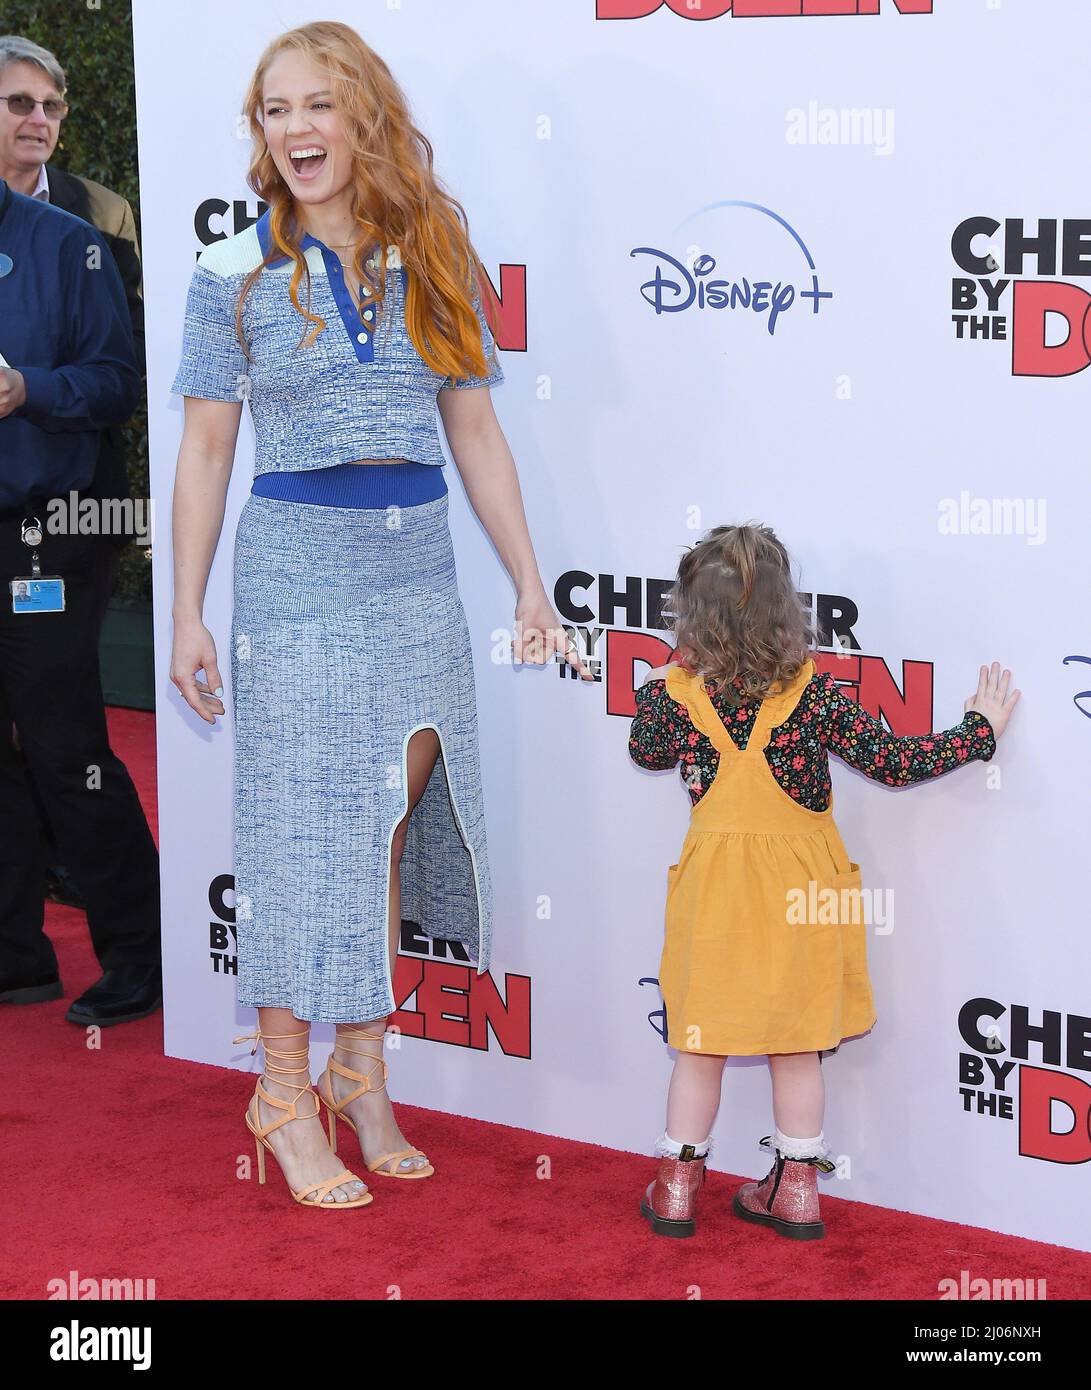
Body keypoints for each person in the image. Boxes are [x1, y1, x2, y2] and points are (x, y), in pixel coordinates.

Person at [170, 20, 593, 1210]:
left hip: (414, 574)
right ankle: (284, 1092)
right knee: (298, 832)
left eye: (315, 105)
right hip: (292, 574)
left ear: (362, 113)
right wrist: (186, 614)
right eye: (272, 110)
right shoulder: (227, 270)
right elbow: (205, 453)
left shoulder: (436, 248)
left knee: (391, 821)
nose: (294, 129)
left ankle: (363, 1071)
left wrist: (526, 578)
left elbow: (473, 430)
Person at [628, 523, 1019, 1239]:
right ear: (785, 611)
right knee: (795, 1043)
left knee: (698, 1043)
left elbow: (646, 752)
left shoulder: (671, 698)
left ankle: (676, 1187)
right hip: (802, 895)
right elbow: (894, 762)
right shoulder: (817, 696)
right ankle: (799, 1191)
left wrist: (661, 680)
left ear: (690, 616)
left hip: (715, 894)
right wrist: (977, 731)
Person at [0, 129, 160, 1025]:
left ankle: (139, 953)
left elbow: (115, 382)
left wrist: (28, 390)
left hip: (45, 534)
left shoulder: (69, 243)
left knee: (67, 751)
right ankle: (16, 957)